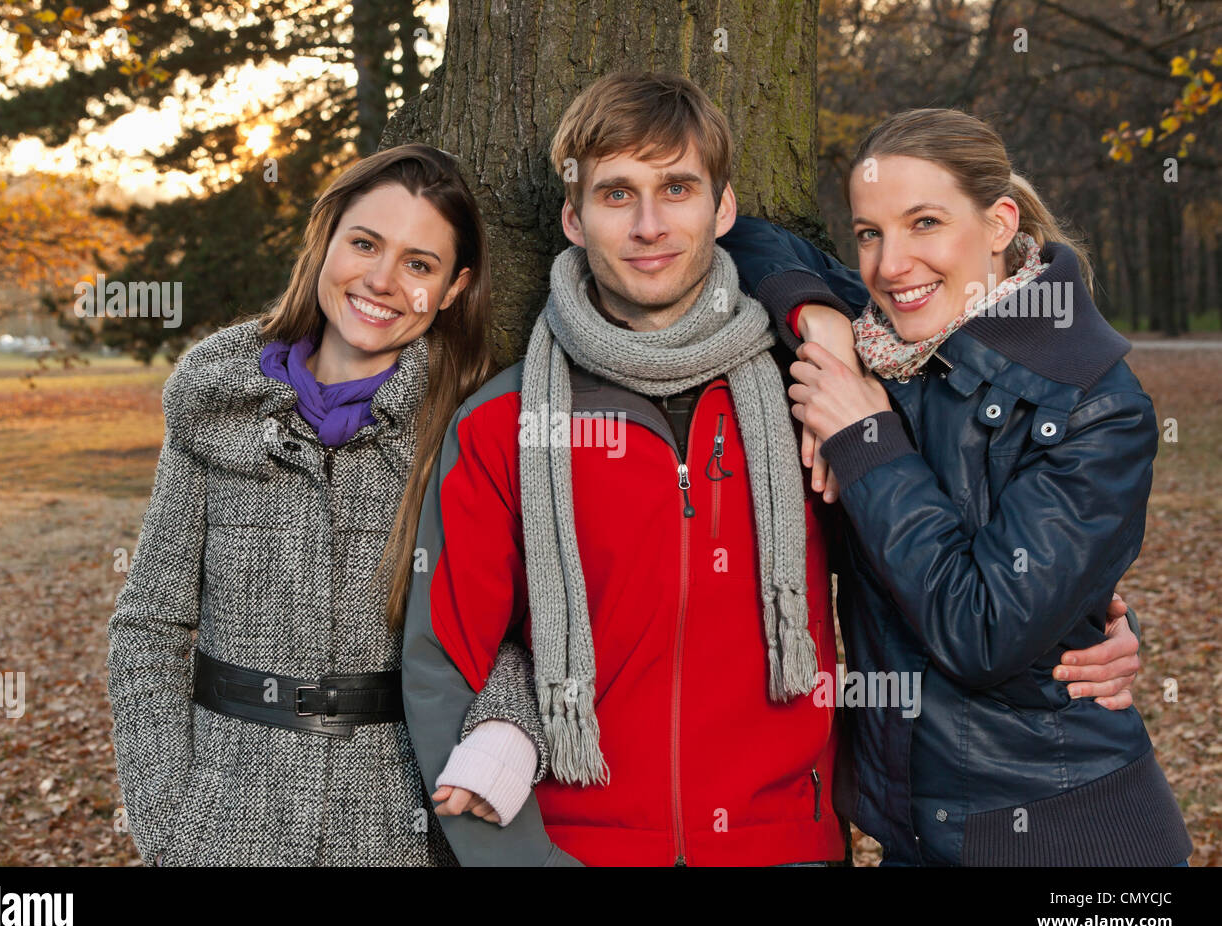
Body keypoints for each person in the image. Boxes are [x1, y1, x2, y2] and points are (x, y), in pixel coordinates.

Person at [400, 73, 1141, 866]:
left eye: (678, 189)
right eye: (617, 195)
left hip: (788, 845)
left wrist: (1087, 621)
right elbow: (447, 659)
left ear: (722, 211)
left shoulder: (830, 394)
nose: (650, 225)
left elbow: (979, 564)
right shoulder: (504, 421)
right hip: (575, 848)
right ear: (573, 220)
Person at [728, 108, 1191, 865]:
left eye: (925, 223)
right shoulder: (890, 347)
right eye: (870, 233)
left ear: (1000, 223)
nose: (891, 263)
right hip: (920, 834)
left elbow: (981, 631)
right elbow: (742, 233)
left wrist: (864, 438)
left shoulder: (1096, 403)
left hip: (1068, 843)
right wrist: (824, 326)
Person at [106, 144, 547, 866]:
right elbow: (149, 628)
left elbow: (524, 629)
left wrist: (509, 729)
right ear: (325, 239)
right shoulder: (219, 401)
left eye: (418, 264)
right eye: (365, 243)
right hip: (226, 817)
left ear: (453, 288)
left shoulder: (472, 429)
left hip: (398, 822)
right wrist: (169, 829)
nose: (381, 280)